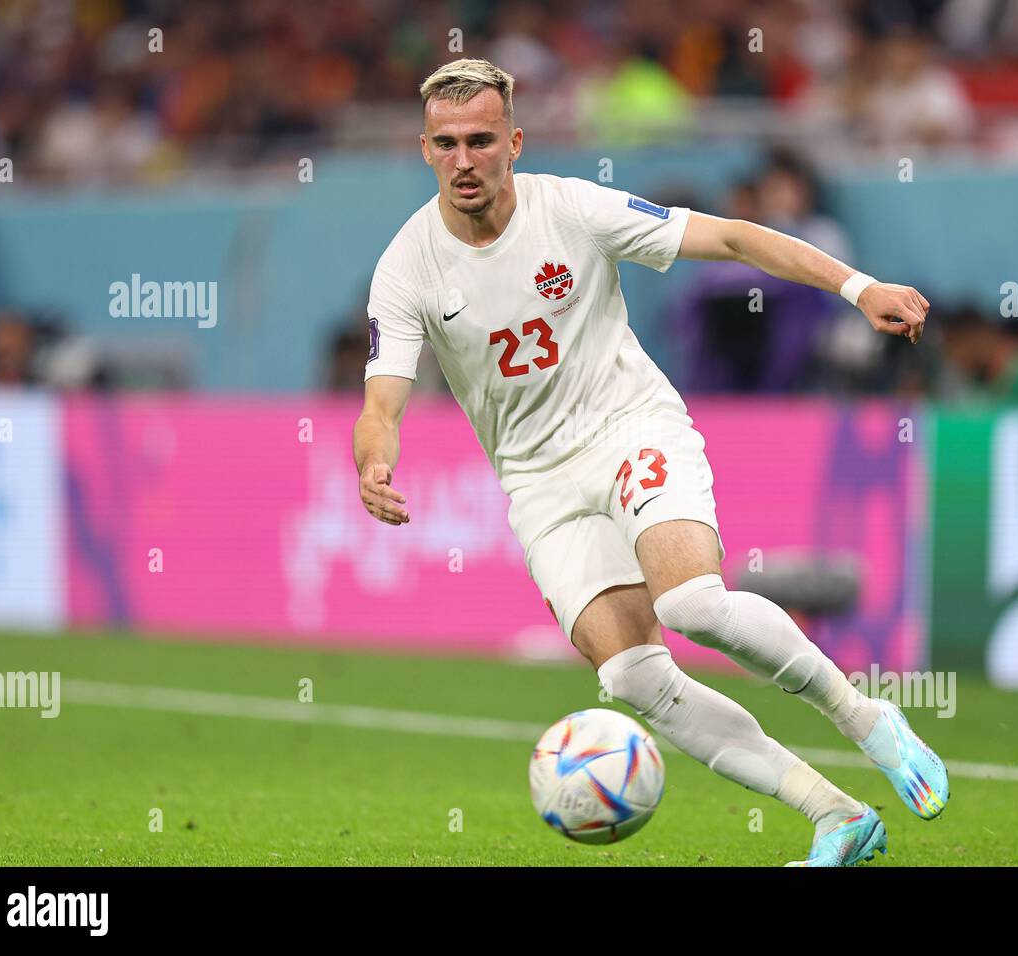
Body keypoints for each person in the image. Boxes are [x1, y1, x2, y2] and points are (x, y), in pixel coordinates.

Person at [352, 58, 947, 867]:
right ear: (426, 150)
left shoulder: (575, 209)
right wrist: (373, 466)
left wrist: (859, 286)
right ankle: (835, 813)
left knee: (695, 604)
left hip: (631, 428)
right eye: (447, 143)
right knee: (633, 677)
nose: (465, 160)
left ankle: (867, 720)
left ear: (514, 142)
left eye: (482, 140)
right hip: (537, 482)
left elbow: (733, 237)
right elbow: (382, 402)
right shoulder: (407, 265)